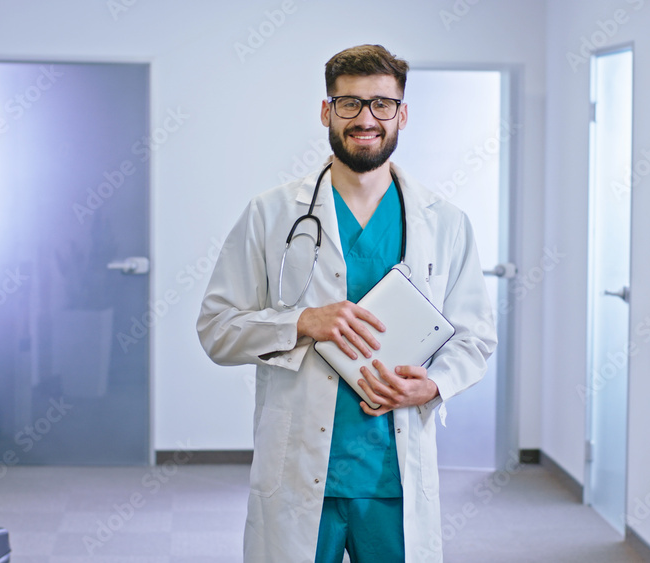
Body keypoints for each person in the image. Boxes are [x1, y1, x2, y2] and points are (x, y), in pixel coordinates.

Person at [196, 44, 496, 563]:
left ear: (402, 114)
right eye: (349, 103)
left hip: (392, 474)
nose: (366, 119)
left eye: (382, 104)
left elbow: (475, 337)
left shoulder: (443, 221)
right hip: (300, 468)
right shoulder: (270, 215)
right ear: (326, 111)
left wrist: (435, 384)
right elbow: (217, 329)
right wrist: (302, 322)